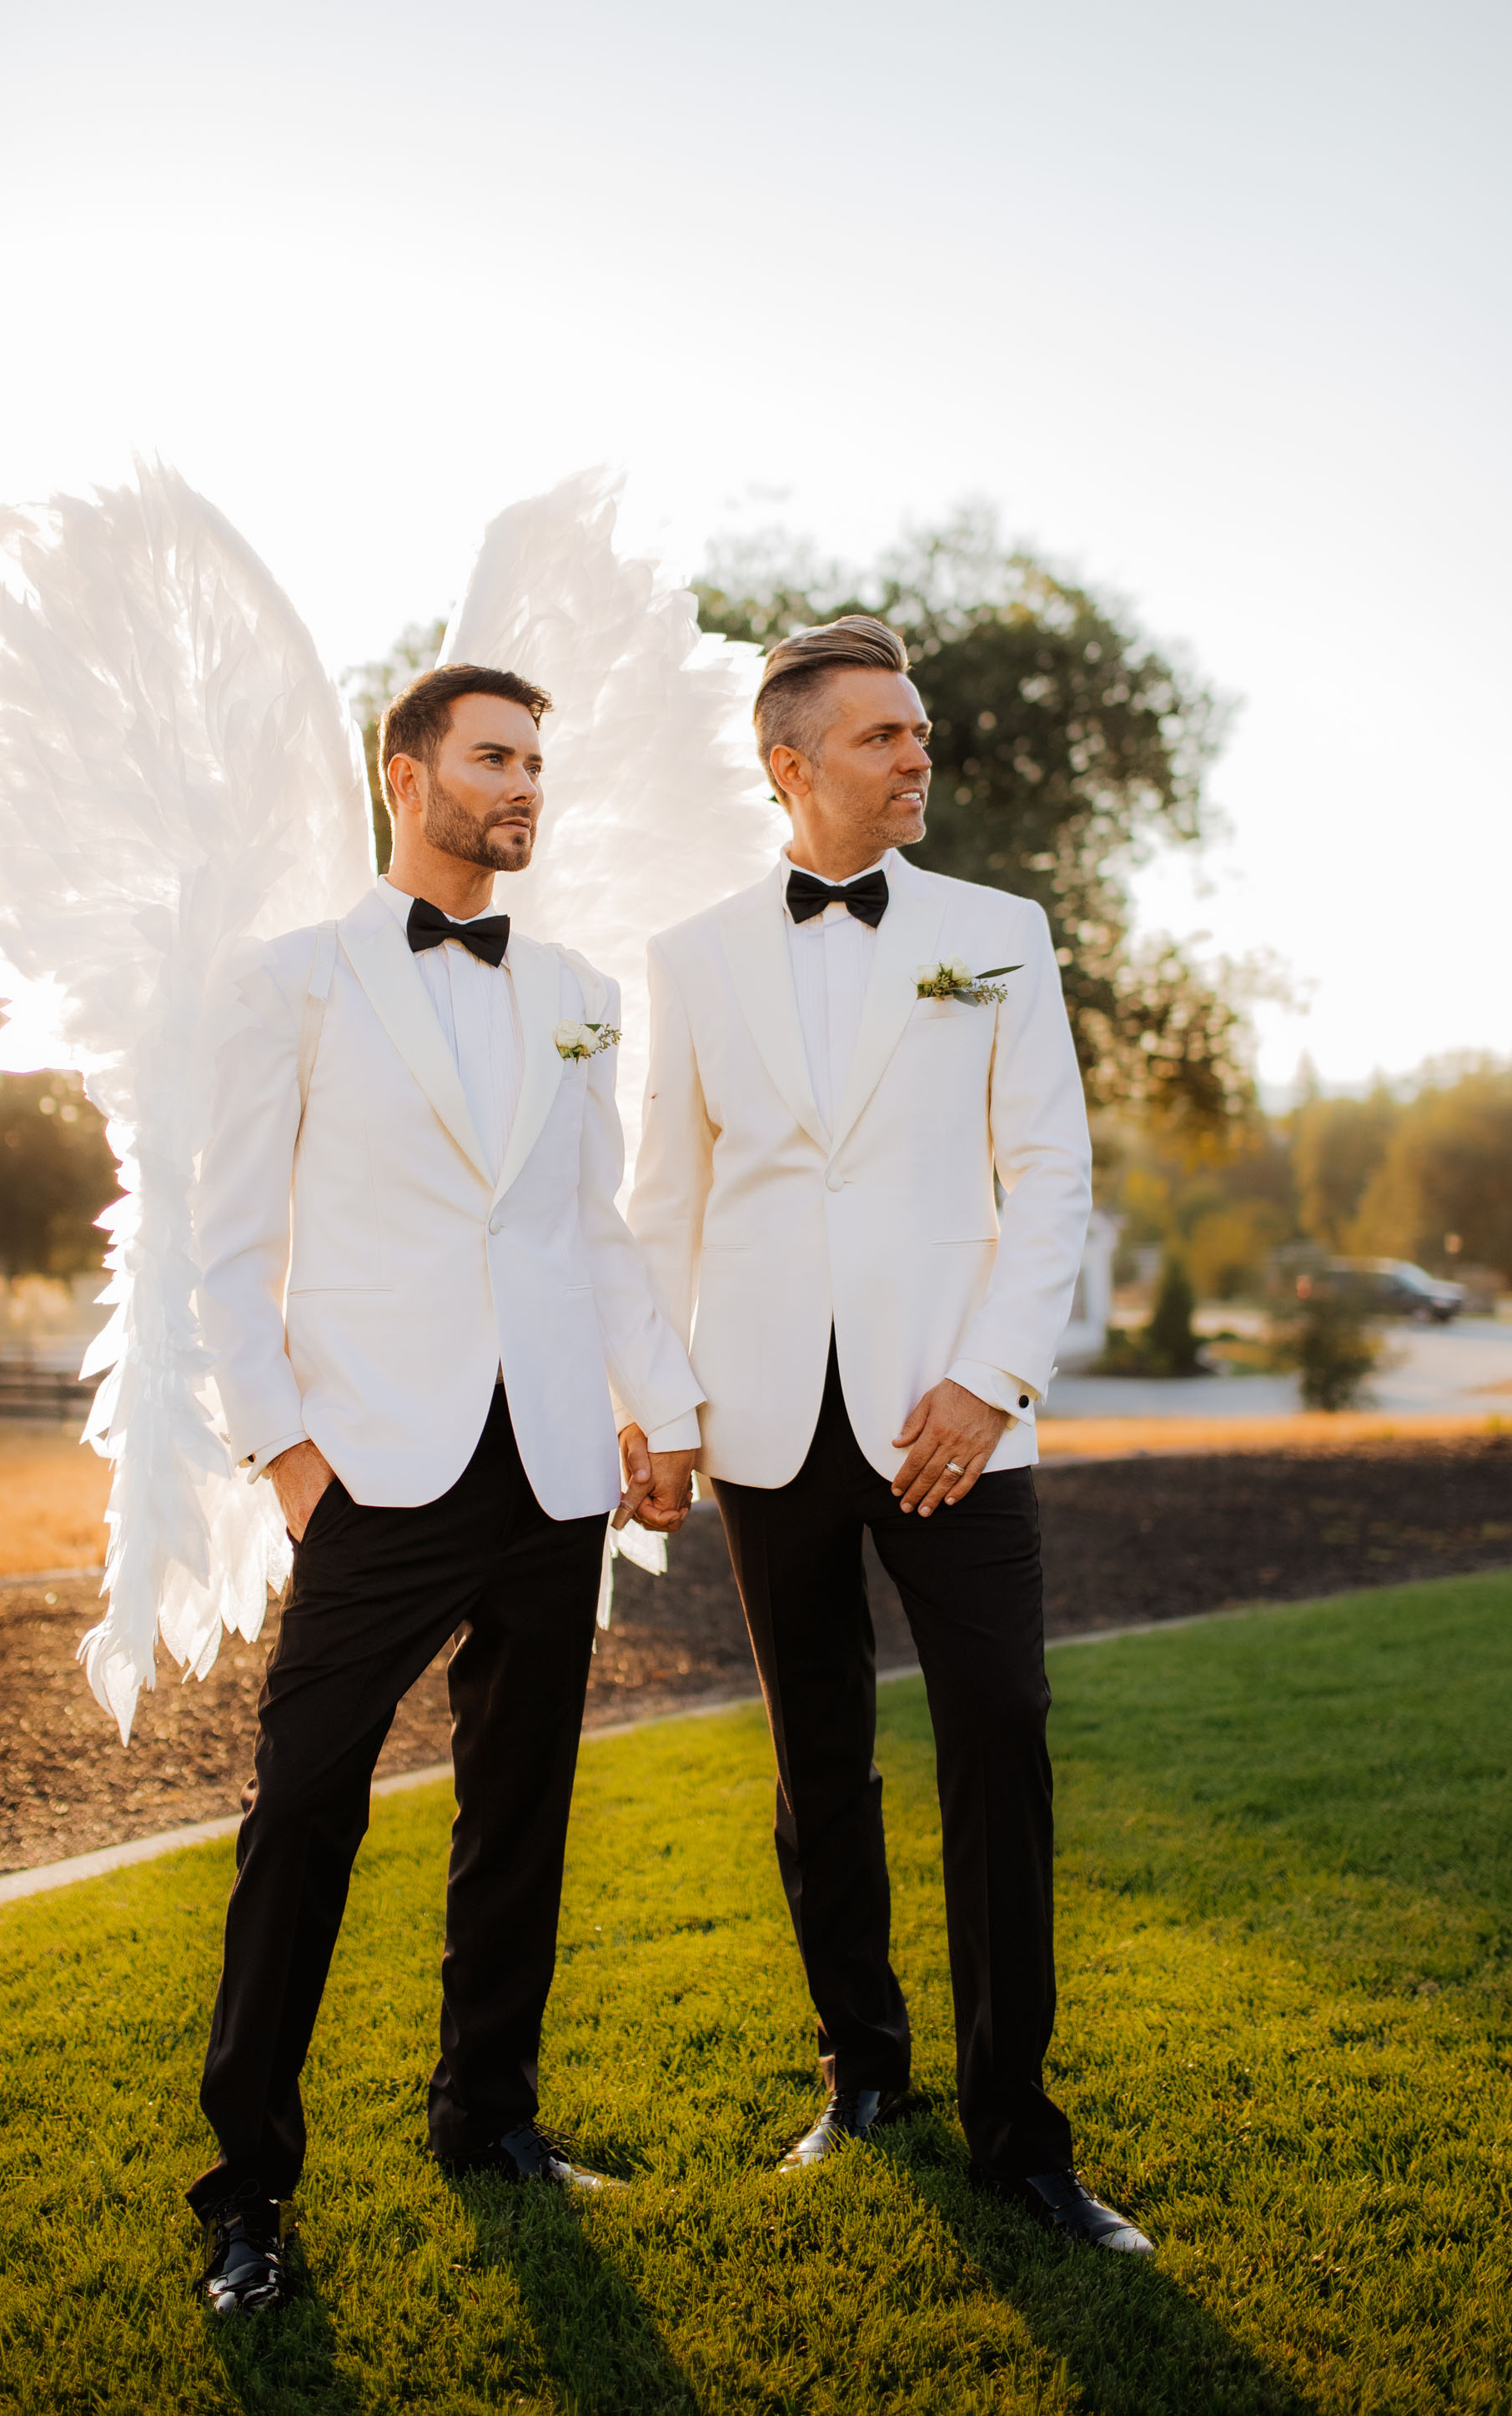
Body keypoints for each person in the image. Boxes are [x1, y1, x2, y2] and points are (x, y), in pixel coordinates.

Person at [625, 615, 1151, 2253]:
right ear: (793, 765)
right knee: (817, 1769)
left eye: (921, 735)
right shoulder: (693, 956)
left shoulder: (1000, 931)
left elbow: (1049, 1172)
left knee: (999, 1741)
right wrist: (658, 1407)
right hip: (767, 1421)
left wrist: (994, 1378)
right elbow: (661, 1202)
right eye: (883, 739)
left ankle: (1023, 2137)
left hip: (951, 1419)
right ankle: (864, 2075)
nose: (918, 757)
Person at [187, 661, 703, 2313]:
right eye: (493, 759)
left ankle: (487, 2118)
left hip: (551, 1466)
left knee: (520, 1818)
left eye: (537, 763)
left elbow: (591, 1228)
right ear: (402, 777)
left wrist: (663, 1406)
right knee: (302, 1823)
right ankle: (246, 2198)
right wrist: (290, 1458)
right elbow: (225, 1253)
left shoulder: (574, 986)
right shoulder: (293, 984)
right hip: (376, 1473)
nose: (523, 787)